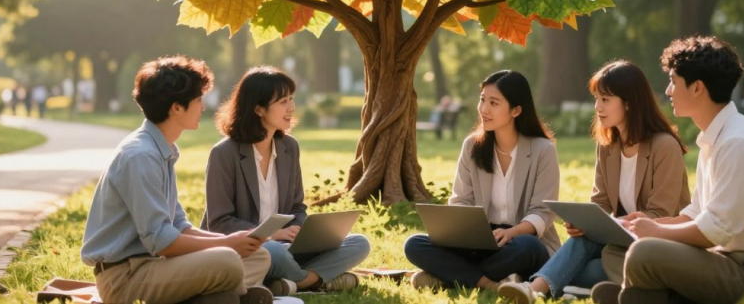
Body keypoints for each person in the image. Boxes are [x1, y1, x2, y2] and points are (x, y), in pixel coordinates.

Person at [591, 36, 744, 304]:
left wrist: (655, 232)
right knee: (625, 248)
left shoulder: (738, 142)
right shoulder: (715, 139)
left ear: (697, 88)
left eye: (673, 81)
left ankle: (640, 297)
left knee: (643, 253)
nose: (668, 91)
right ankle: (646, 297)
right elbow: (696, 213)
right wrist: (639, 226)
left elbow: (716, 230)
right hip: (726, 261)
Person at [81, 55, 273, 304]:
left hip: (157, 266)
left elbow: (179, 225)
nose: (203, 107)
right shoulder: (140, 156)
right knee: (227, 260)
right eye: (198, 100)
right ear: (177, 108)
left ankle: (222, 297)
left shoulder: (161, 150)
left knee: (258, 256)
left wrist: (237, 241)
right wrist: (228, 244)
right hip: (125, 278)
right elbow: (161, 241)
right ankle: (232, 296)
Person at [498, 60, 691, 303]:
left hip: (656, 247)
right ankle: (545, 287)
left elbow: (660, 214)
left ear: (629, 102)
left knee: (573, 269)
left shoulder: (664, 146)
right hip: (617, 245)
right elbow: (600, 203)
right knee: (579, 254)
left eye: (605, 99)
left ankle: (539, 288)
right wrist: (584, 224)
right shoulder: (608, 147)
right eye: (596, 99)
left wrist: (612, 226)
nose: (598, 107)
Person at [202, 66, 369, 297]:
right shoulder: (224, 153)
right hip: (248, 249)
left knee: (359, 243)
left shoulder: (289, 147)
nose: (291, 107)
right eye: (283, 101)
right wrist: (270, 235)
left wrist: (301, 232)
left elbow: (297, 207)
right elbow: (219, 222)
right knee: (274, 252)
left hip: (286, 247)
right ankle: (311, 282)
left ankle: (289, 282)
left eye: (291, 98)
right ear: (259, 109)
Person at [404, 70, 561, 294]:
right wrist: (464, 232)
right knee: (414, 244)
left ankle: (450, 276)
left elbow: (542, 212)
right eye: (482, 100)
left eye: (493, 103)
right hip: (480, 241)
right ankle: (489, 282)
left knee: (529, 247)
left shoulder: (543, 150)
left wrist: (513, 232)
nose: (484, 109)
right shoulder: (472, 147)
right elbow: (461, 201)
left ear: (516, 110)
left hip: (521, 239)